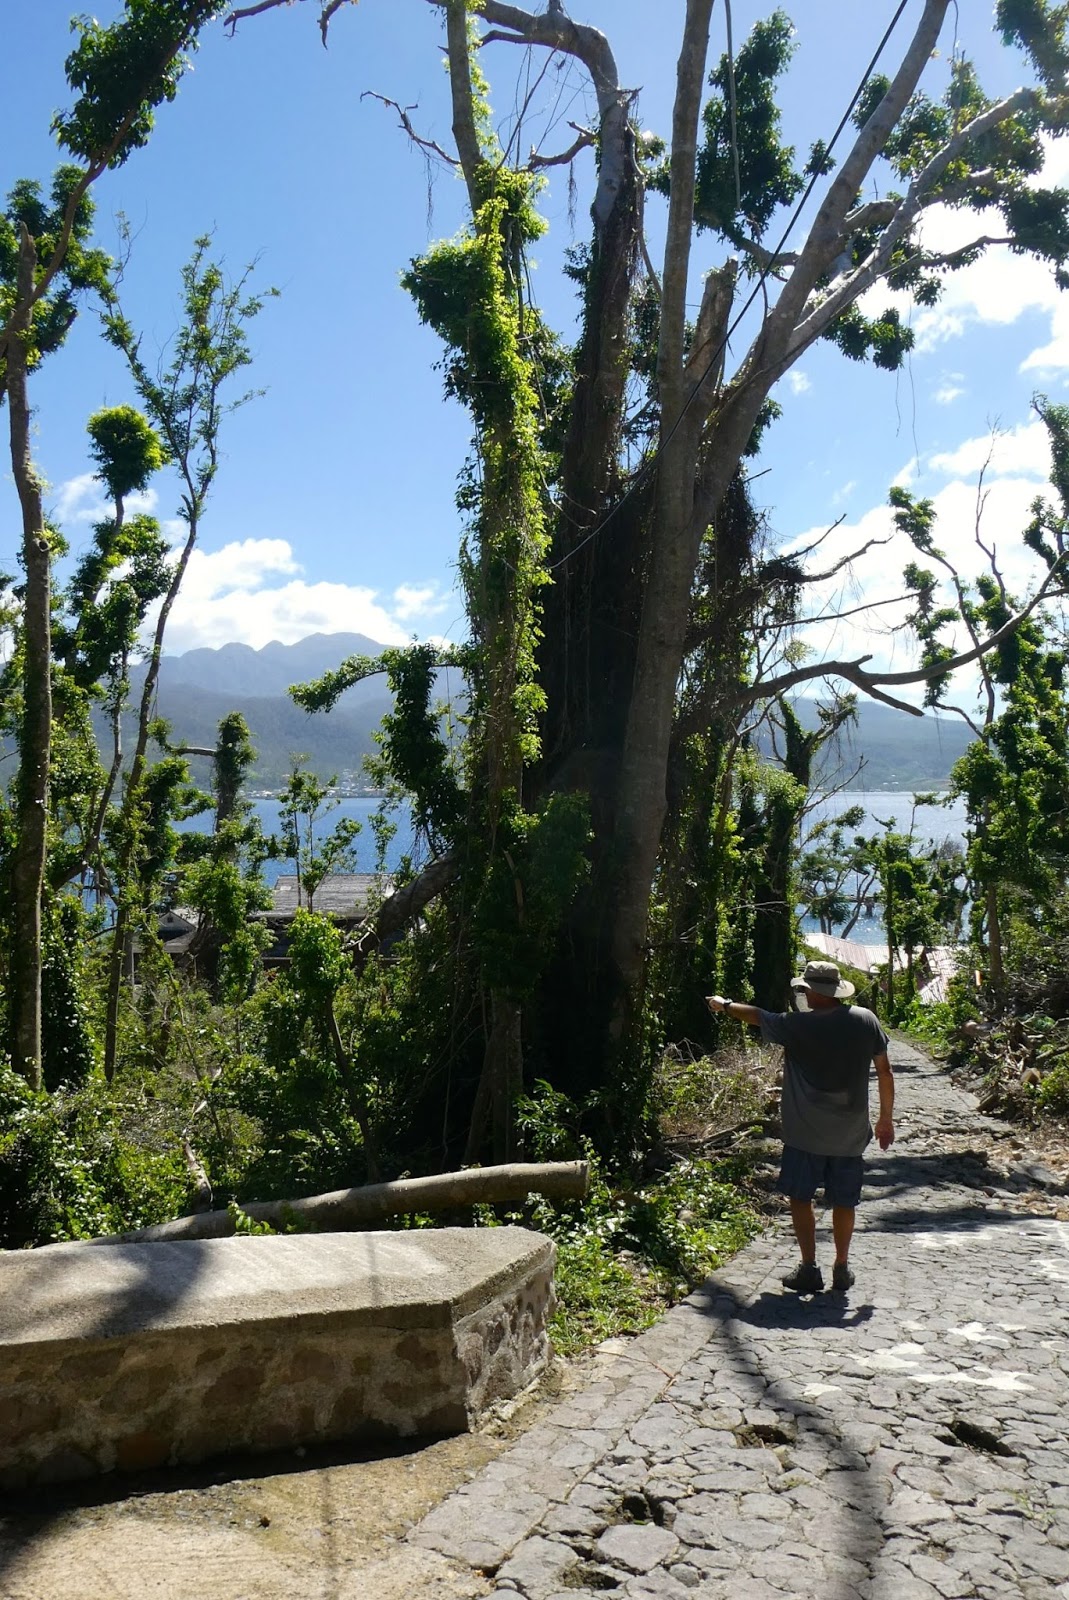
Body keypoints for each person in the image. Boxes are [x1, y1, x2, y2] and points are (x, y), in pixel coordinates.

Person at [706, 960, 895, 1295]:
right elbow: (884, 1071)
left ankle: (809, 1267)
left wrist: (725, 1005)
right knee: (844, 1202)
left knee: (800, 1197)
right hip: (850, 1134)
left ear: (810, 991)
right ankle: (841, 1265)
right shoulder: (865, 1020)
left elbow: (756, 1015)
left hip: (804, 1132)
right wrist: (885, 1119)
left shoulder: (796, 1026)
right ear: (836, 991)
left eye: (805, 989)